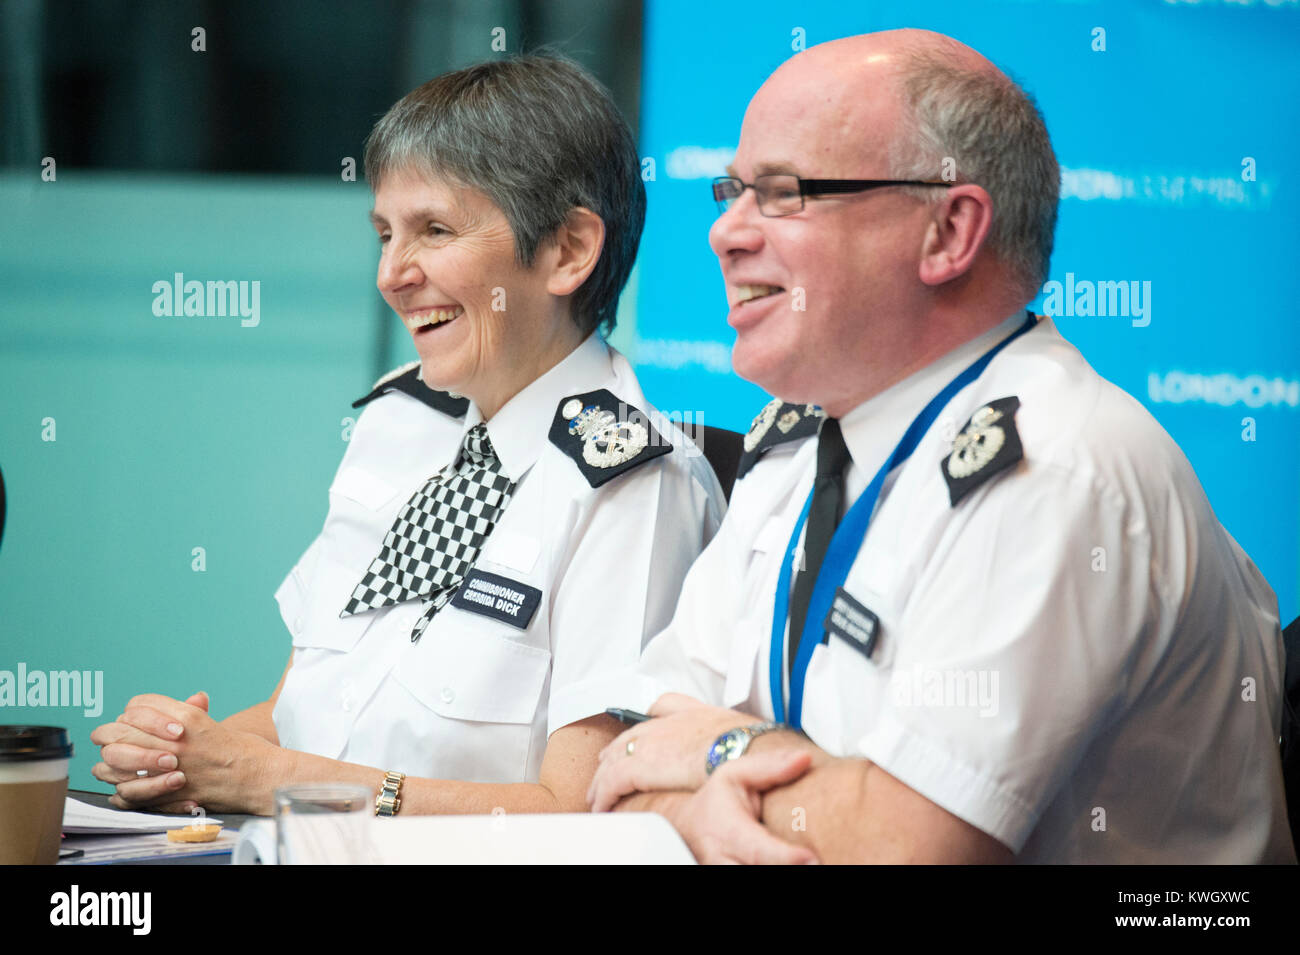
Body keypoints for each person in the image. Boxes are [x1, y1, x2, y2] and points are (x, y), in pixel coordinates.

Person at [586, 29, 1295, 864]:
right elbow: (629, 752)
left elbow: (909, 844)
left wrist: (722, 757)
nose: (726, 234)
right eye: (730, 191)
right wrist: (696, 793)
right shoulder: (801, 447)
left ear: (949, 232)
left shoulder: (1060, 467)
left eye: (781, 192)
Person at [89, 55, 725, 816]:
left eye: (434, 229)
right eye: (385, 233)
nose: (392, 274)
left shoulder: (635, 483)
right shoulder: (399, 424)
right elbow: (299, 715)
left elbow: (579, 814)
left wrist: (269, 780)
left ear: (568, 251)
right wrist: (181, 756)